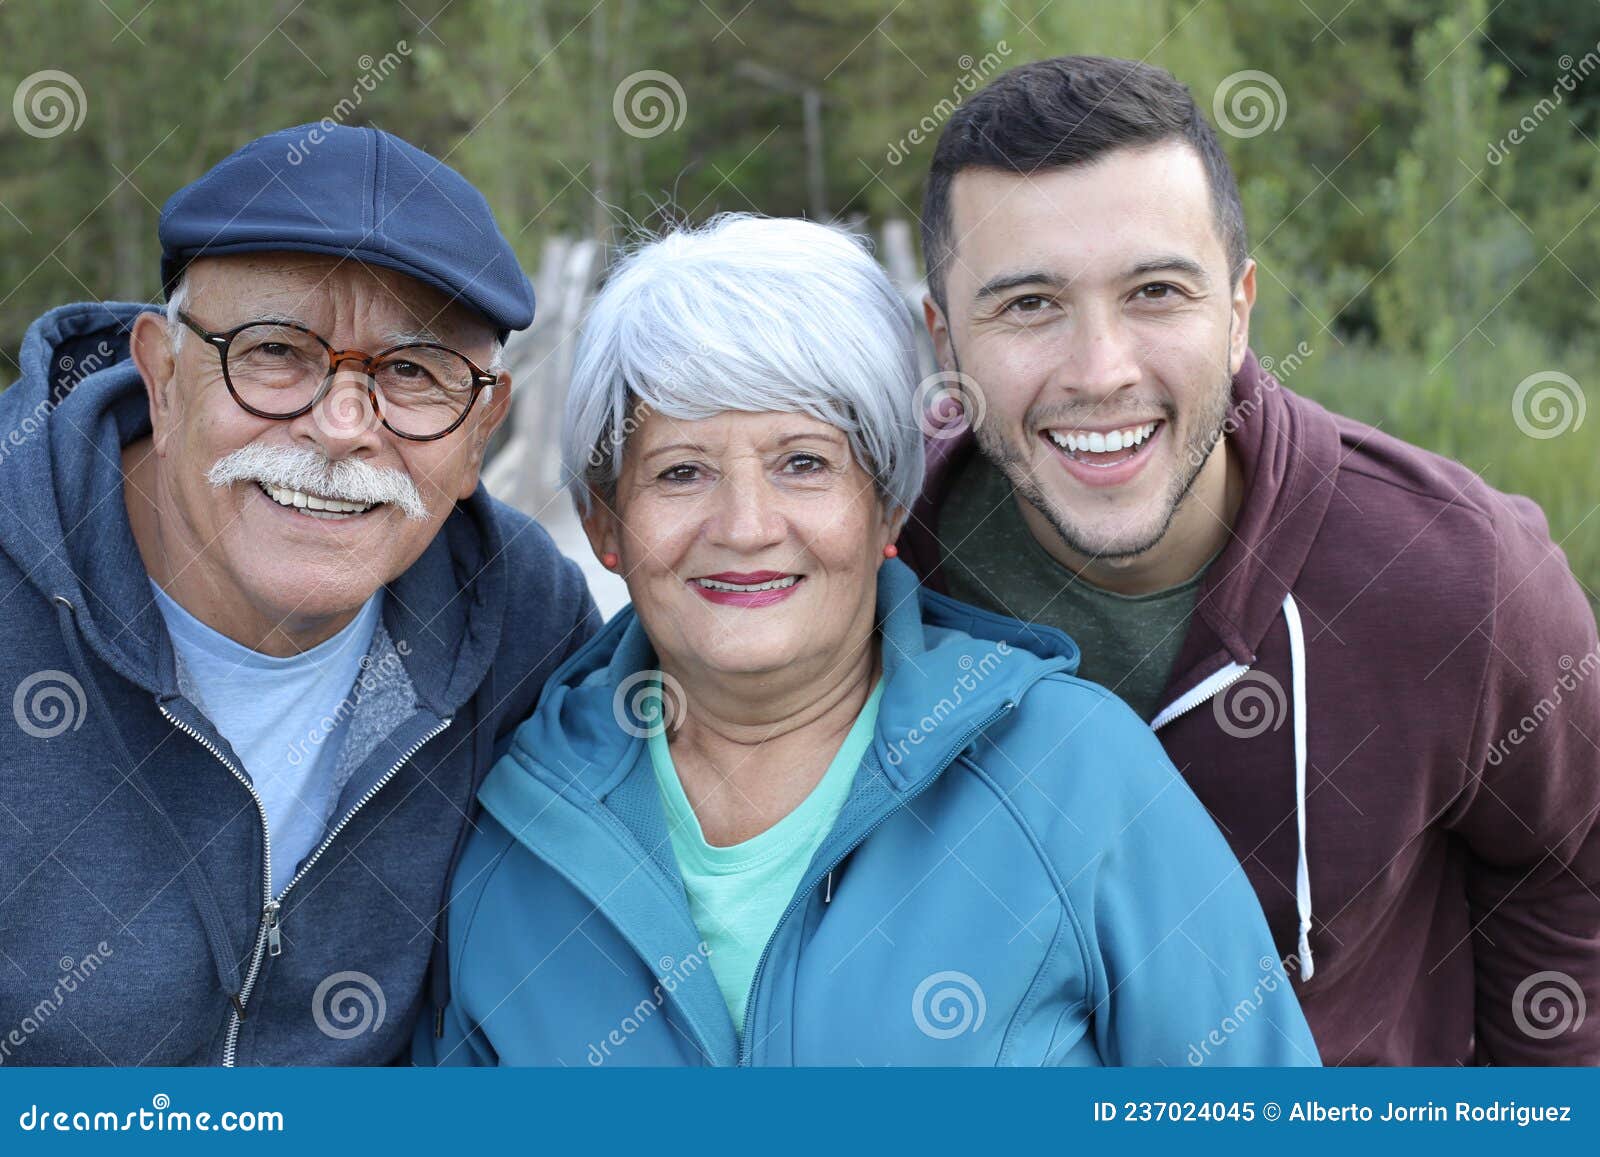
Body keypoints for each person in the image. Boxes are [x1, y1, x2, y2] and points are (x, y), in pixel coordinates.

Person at [415, 214, 1317, 1067]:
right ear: (603, 520)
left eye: (803, 463)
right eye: (680, 471)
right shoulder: (516, 826)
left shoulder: (1074, 774)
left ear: (886, 502)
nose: (745, 524)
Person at [900, 55, 1600, 1064]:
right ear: (943, 340)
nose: (1101, 371)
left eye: (1154, 291)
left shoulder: (1456, 573)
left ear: (1237, 309)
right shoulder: (865, 577)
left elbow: (1568, 869)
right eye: (1028, 306)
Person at [0, 124, 598, 1064]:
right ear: (160, 373)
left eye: (411, 371)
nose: (342, 427)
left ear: (482, 428)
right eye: (276, 351)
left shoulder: (523, 617)